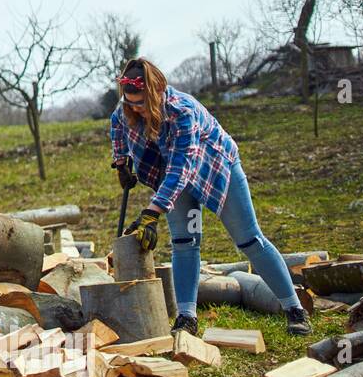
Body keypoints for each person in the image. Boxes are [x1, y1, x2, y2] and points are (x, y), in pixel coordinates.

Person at [109, 57, 311, 337]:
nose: (136, 109)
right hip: (174, 176)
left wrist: (152, 212)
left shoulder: (182, 112)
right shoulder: (125, 110)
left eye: (141, 103)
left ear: (156, 93)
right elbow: (116, 126)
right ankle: (186, 318)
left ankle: (295, 309)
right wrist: (121, 162)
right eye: (130, 102)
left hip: (216, 169)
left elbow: (182, 167)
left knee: (250, 240)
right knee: (184, 242)